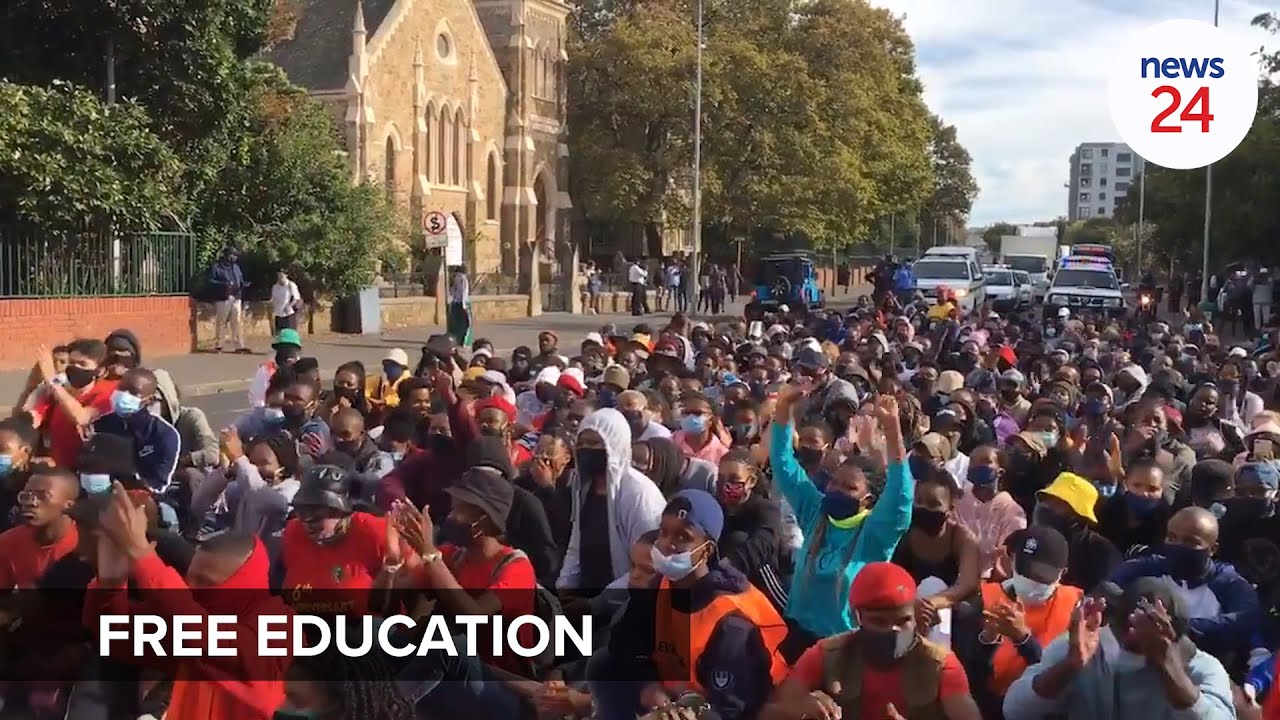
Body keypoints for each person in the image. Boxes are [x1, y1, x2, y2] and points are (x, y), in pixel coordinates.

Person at [85, 488, 293, 720]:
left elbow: (209, 638)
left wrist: (141, 554)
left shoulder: (280, 626)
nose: (190, 589)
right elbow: (115, 635)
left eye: (206, 583)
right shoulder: (189, 623)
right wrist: (111, 580)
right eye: (190, 578)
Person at [590, 489, 790, 719]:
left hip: (734, 705)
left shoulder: (730, 620)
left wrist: (679, 711)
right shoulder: (663, 582)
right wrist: (649, 685)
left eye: (682, 537)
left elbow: (731, 708)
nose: (667, 544)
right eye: (664, 533)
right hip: (677, 695)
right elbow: (624, 645)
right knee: (604, 664)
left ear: (706, 550)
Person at [771, 387, 913, 657]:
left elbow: (901, 495)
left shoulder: (875, 533)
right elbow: (783, 463)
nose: (835, 489)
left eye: (849, 487)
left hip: (845, 648)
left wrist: (893, 429)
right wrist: (783, 409)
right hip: (796, 636)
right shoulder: (816, 512)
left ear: (868, 500)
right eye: (834, 481)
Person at [761, 561, 982, 720]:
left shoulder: (941, 665)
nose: (893, 630)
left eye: (903, 620)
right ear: (857, 617)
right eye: (879, 621)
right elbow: (769, 712)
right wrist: (801, 708)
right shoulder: (828, 654)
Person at [1002, 576, 1235, 720]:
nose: (1132, 647)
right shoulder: (1082, 647)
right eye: (1127, 639)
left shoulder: (1202, 669)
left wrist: (1168, 669)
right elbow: (1015, 710)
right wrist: (1070, 666)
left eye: (1147, 642)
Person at [954, 526, 1081, 719]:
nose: (1031, 578)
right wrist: (987, 641)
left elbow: (1061, 677)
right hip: (994, 707)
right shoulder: (983, 600)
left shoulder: (1075, 605)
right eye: (1026, 568)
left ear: (1062, 573)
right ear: (1012, 560)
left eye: (1042, 573)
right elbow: (969, 680)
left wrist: (1023, 639)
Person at [1108, 505, 1259, 661]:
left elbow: (1241, 622)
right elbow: (1109, 589)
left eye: (1190, 541)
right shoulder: (1149, 568)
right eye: (1172, 538)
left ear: (1212, 549)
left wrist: (1177, 627)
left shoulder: (1230, 583)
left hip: (1200, 668)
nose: (1178, 545)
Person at [556, 408, 665, 593]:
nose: (585, 450)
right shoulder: (583, 486)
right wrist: (564, 587)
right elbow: (577, 544)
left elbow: (646, 563)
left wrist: (601, 603)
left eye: (594, 443)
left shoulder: (638, 493)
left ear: (613, 444)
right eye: (581, 443)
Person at [1034, 471, 1122, 592]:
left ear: (1078, 516)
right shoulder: (1030, 542)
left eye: (1058, 504)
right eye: (1046, 501)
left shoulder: (1102, 553)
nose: (1047, 509)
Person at [0, 467, 79, 588]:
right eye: (26, 495)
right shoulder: (8, 542)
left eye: (43, 496)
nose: (31, 502)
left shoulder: (83, 544)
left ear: (68, 505)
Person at [249, 329, 304, 408]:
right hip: (271, 413)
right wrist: (265, 410)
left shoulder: (303, 368)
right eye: (283, 348)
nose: (287, 352)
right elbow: (256, 397)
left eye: (291, 348)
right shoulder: (266, 369)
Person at [209, 247, 248, 353]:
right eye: (232, 255)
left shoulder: (236, 267)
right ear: (226, 255)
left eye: (235, 255)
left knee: (237, 321)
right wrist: (224, 284)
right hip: (223, 297)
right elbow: (211, 280)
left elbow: (240, 279)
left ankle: (239, 345)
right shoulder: (217, 267)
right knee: (221, 322)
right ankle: (219, 345)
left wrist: (243, 284)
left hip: (236, 297)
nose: (234, 257)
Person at [447, 265, 473, 347]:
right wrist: (464, 306)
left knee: (455, 324)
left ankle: (455, 340)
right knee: (465, 324)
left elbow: (453, 291)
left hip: (455, 303)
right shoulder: (463, 278)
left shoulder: (455, 278)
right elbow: (464, 292)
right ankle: (463, 341)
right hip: (462, 303)